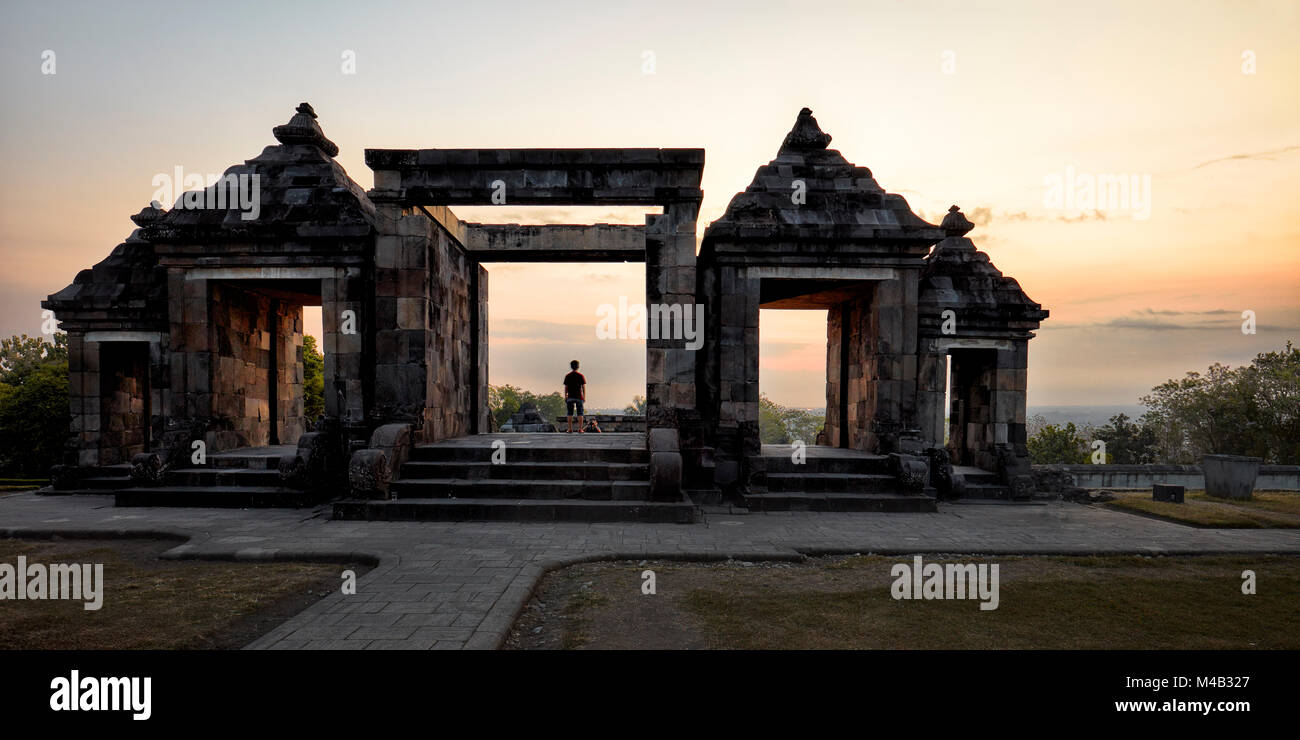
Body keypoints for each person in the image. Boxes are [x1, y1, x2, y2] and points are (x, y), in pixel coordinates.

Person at [563, 360, 586, 434]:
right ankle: (580, 429)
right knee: (580, 413)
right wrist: (584, 397)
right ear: (578, 366)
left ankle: (570, 429)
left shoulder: (567, 376)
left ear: (571, 366)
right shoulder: (580, 376)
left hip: (570, 397)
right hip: (579, 397)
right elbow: (583, 387)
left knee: (570, 413)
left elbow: (566, 387)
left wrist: (565, 396)